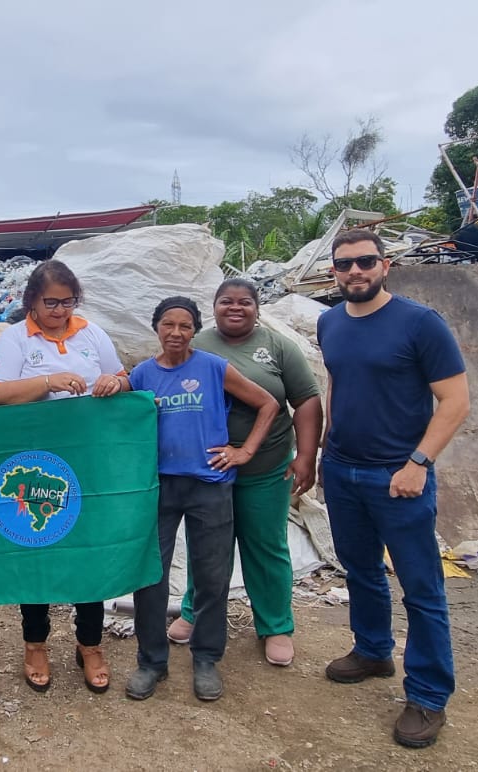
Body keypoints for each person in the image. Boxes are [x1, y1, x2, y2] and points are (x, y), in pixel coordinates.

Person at [316, 228, 470, 749]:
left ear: (385, 266)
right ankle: (373, 650)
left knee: (422, 588)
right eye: (344, 265)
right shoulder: (329, 321)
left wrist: (418, 463)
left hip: (398, 477)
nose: (354, 272)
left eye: (364, 262)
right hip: (342, 471)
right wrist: (327, 453)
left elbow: (455, 402)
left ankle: (428, 695)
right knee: (359, 568)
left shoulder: (420, 324)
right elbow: (336, 382)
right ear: (333, 272)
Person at [0, 259, 129, 693]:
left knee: (89, 548)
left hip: (88, 461)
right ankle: (35, 642)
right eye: (51, 302)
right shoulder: (15, 339)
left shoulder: (91, 332)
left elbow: (122, 378)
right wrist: (47, 381)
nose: (60, 310)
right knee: (37, 547)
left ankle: (89, 643)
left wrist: (112, 385)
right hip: (36, 464)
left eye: (68, 302)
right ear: (31, 300)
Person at [125, 297, 277, 702]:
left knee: (211, 576)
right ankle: (151, 662)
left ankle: (206, 658)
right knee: (151, 577)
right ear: (155, 327)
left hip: (210, 485)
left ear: (195, 330)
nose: (176, 333)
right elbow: (117, 412)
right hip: (159, 487)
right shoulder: (142, 374)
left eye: (185, 326)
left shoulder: (212, 367)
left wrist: (244, 452)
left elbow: (268, 403)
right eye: (168, 325)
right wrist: (110, 383)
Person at [167, 278, 323, 666]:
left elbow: (306, 400)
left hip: (265, 469)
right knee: (207, 550)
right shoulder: (198, 344)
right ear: (214, 306)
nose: (235, 308)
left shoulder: (277, 347)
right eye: (225, 301)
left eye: (245, 303)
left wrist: (306, 456)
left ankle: (275, 625)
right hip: (208, 473)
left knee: (266, 547)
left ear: (257, 308)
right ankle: (193, 612)